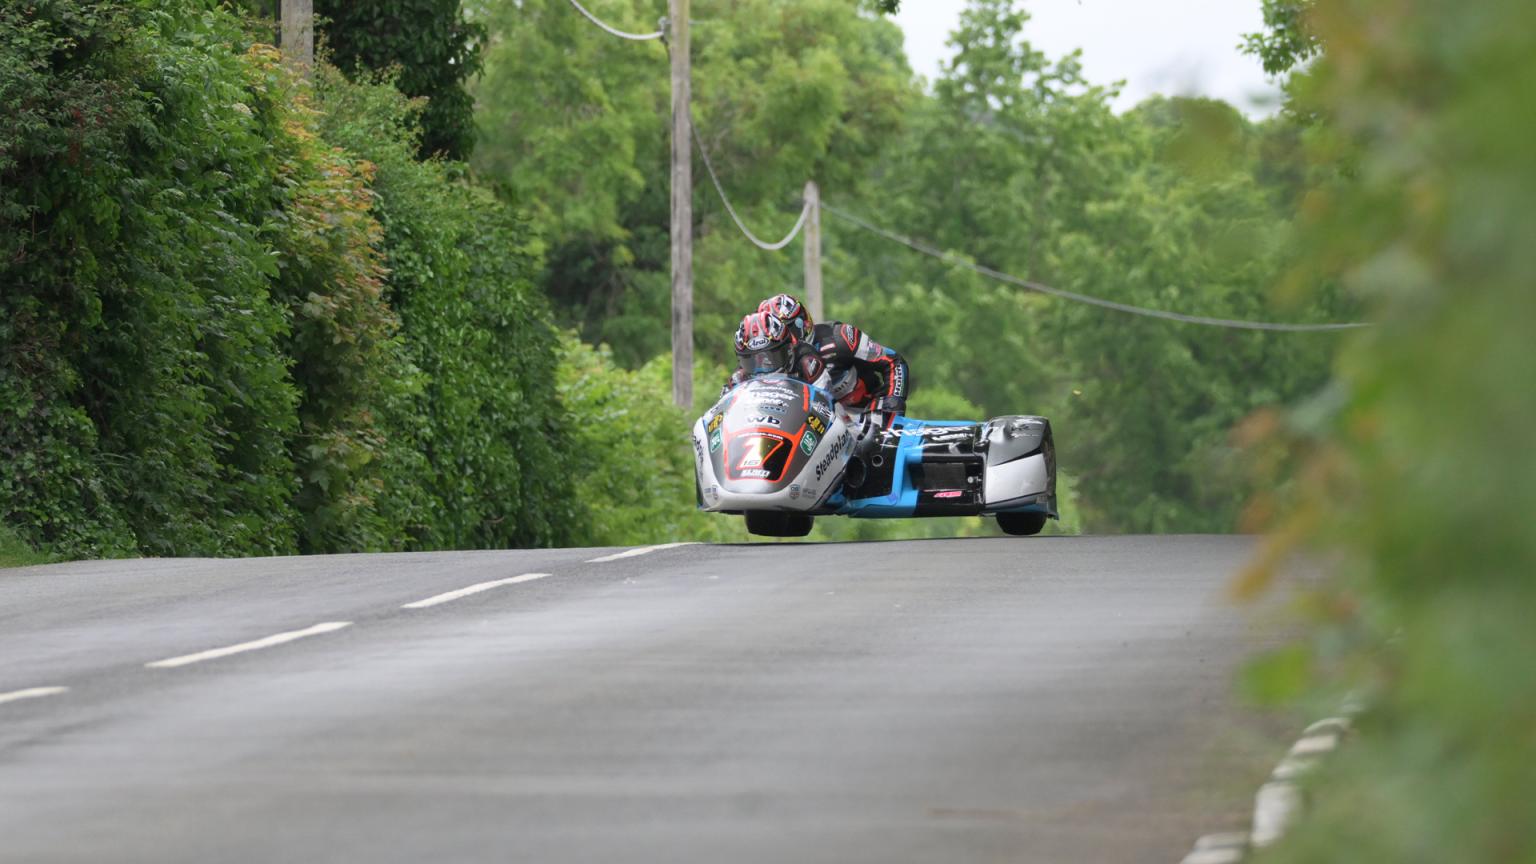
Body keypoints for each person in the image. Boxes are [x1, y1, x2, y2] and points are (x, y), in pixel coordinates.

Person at [756, 293, 909, 423]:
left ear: (803, 322)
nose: (786, 340)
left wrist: (892, 404)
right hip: (815, 425)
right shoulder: (763, 363)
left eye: (788, 331)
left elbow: (892, 361)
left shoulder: (841, 337)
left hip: (866, 415)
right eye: (777, 337)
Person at [721, 310, 826, 395]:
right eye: (751, 361)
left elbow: (826, 401)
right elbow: (724, 409)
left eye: (772, 357)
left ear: (789, 349)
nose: (763, 369)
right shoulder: (739, 376)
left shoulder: (808, 362)